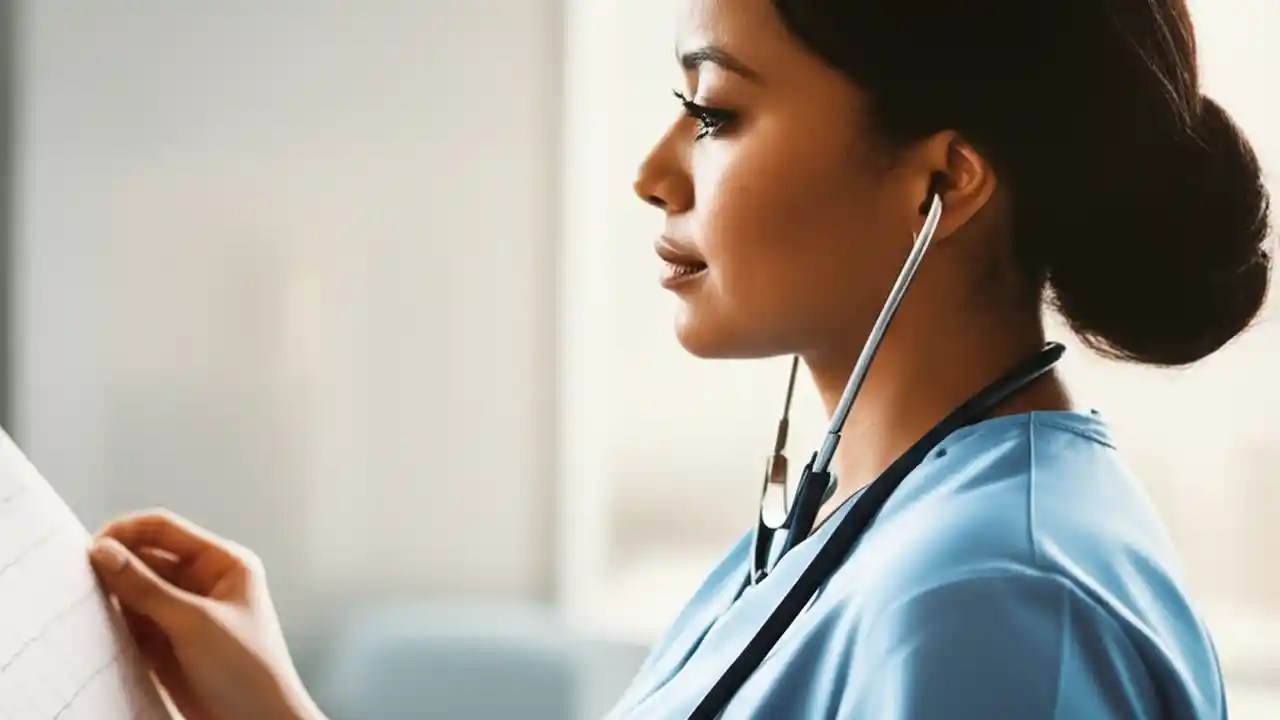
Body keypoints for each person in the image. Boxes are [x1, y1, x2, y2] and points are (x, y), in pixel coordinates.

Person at [88, 0, 1271, 718]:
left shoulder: (999, 605)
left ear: (942, 182)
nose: (656, 169)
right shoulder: (848, 525)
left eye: (715, 114)